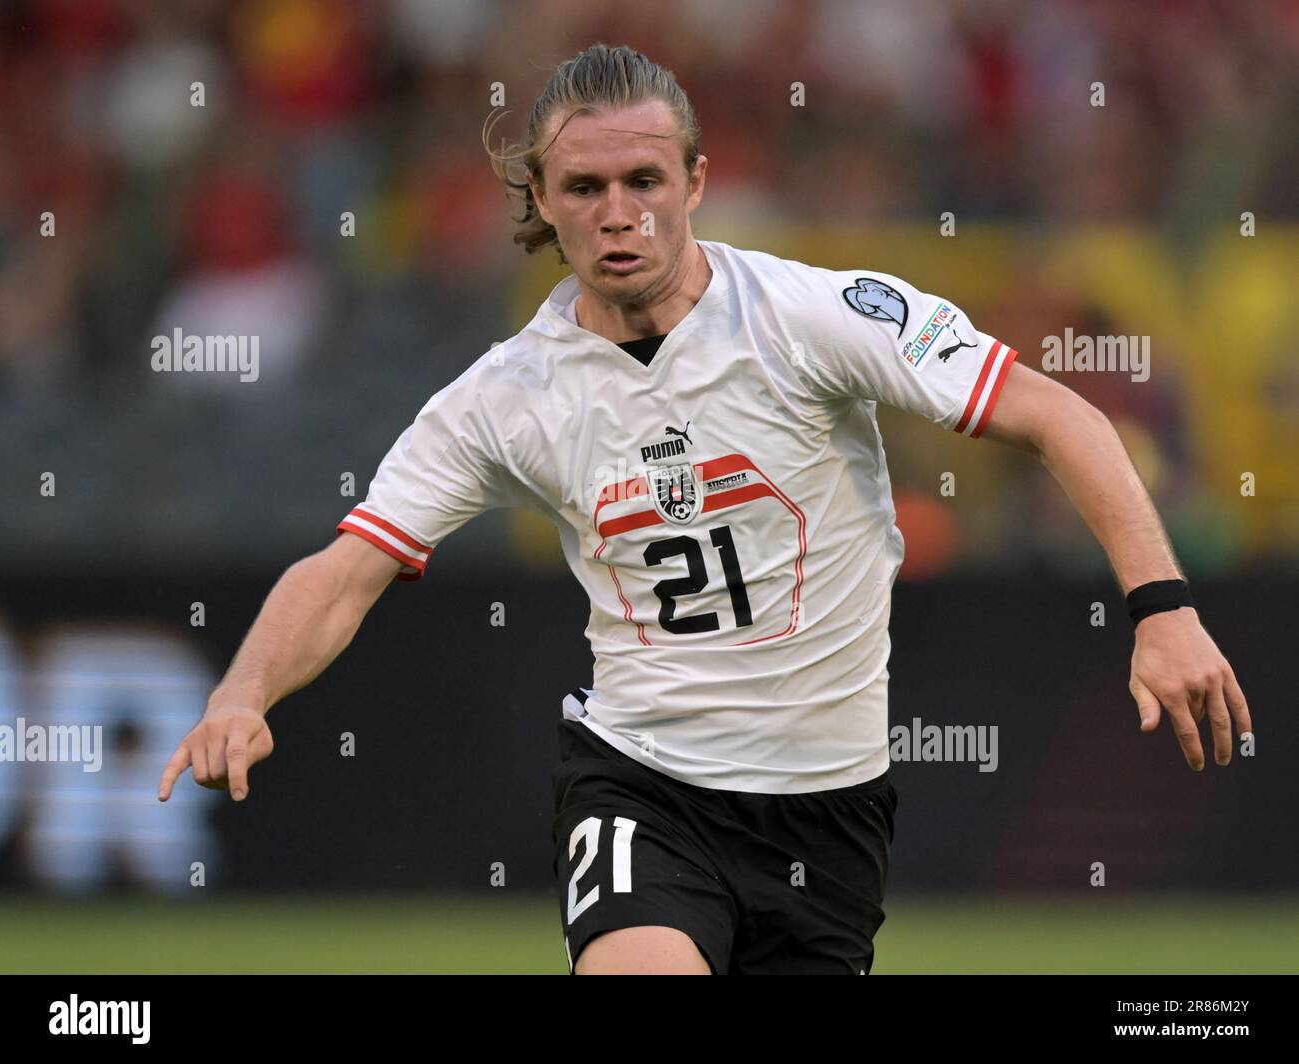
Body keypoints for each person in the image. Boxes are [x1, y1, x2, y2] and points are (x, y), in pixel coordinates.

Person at [158, 44, 1252, 975]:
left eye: (644, 180)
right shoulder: (504, 397)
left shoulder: (813, 317)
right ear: (540, 197)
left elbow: (1055, 413)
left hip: (830, 805)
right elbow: (350, 564)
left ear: (695, 180)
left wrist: (1161, 607)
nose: (618, 215)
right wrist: (245, 690)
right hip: (642, 781)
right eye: (584, 189)